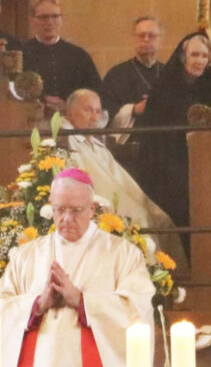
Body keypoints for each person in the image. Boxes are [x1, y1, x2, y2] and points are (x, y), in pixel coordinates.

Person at [0, 169, 156, 367]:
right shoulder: (27, 255)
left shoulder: (122, 254)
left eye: (76, 211)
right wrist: (36, 305)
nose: (66, 219)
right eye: (59, 210)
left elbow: (138, 311)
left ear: (92, 209)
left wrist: (83, 302)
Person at [58, 88, 178, 252]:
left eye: (98, 111)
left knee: (161, 218)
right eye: (88, 110)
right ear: (70, 113)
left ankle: (170, 274)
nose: (94, 118)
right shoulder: (65, 139)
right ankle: (148, 274)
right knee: (139, 219)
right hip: (100, 201)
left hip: (121, 196)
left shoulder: (94, 140)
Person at [133, 32, 211, 230]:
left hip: (203, 166)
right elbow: (155, 135)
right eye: (194, 55)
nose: (200, 61)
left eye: (204, 56)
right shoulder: (164, 87)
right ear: (183, 57)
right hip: (167, 167)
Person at [18, 0, 100, 111]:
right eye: (43, 17)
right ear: (32, 21)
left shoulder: (79, 56)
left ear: (62, 19)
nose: (50, 22)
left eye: (55, 16)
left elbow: (95, 95)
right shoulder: (20, 53)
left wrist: (68, 106)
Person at [100, 16, 164, 130]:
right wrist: (134, 109)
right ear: (134, 39)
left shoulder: (170, 74)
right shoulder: (116, 75)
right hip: (130, 142)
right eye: (141, 35)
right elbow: (105, 115)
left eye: (152, 36)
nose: (146, 39)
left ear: (160, 40)